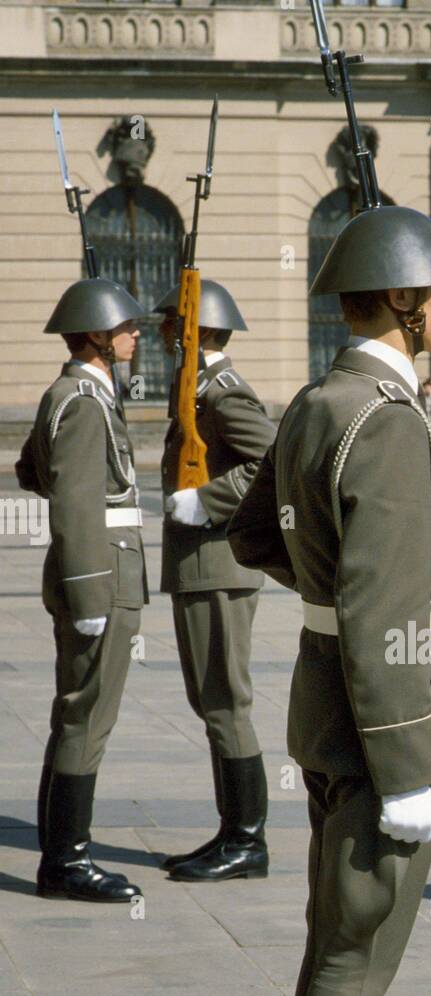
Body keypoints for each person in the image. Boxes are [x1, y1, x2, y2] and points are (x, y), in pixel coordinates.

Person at [229, 203, 431, 996]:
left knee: (338, 945)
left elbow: (250, 534)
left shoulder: (317, 401)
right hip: (381, 719)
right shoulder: (383, 417)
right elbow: (380, 606)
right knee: (351, 962)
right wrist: (404, 762)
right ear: (400, 302)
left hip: (326, 698)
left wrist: (324, 598)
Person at [15, 278, 148, 902]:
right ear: (96, 336)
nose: (136, 335)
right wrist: (91, 596)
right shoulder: (85, 401)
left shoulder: (73, 395)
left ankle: (60, 851)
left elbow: (28, 467)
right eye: (125, 328)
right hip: (102, 575)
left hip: (100, 568)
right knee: (86, 718)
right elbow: (72, 503)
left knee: (76, 713)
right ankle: (66, 863)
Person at [152, 280, 277, 883]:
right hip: (201, 569)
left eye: (169, 326)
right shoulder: (196, 391)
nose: (159, 336)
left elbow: (268, 463)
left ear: (192, 333)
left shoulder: (225, 394)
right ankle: (232, 831)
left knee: (226, 702)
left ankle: (247, 840)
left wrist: (206, 500)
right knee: (212, 703)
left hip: (219, 568)